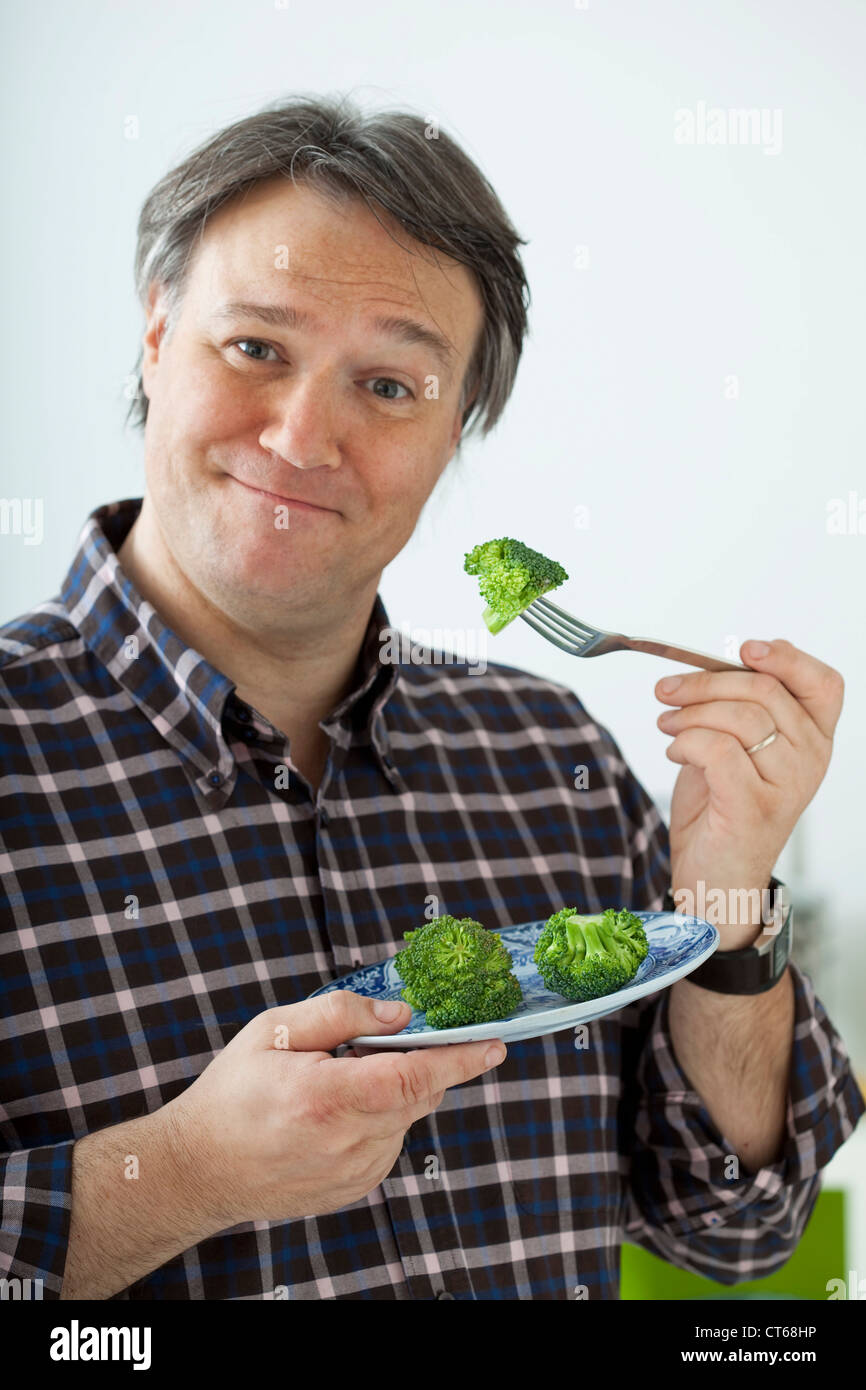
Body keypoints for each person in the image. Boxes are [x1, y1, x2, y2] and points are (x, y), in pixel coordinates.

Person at [1, 94, 862, 1302]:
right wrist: (185, 1170)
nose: (303, 437)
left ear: (454, 429)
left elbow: (736, 1234)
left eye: (390, 386)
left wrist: (721, 891)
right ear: (154, 338)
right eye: (254, 348)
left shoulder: (549, 751)